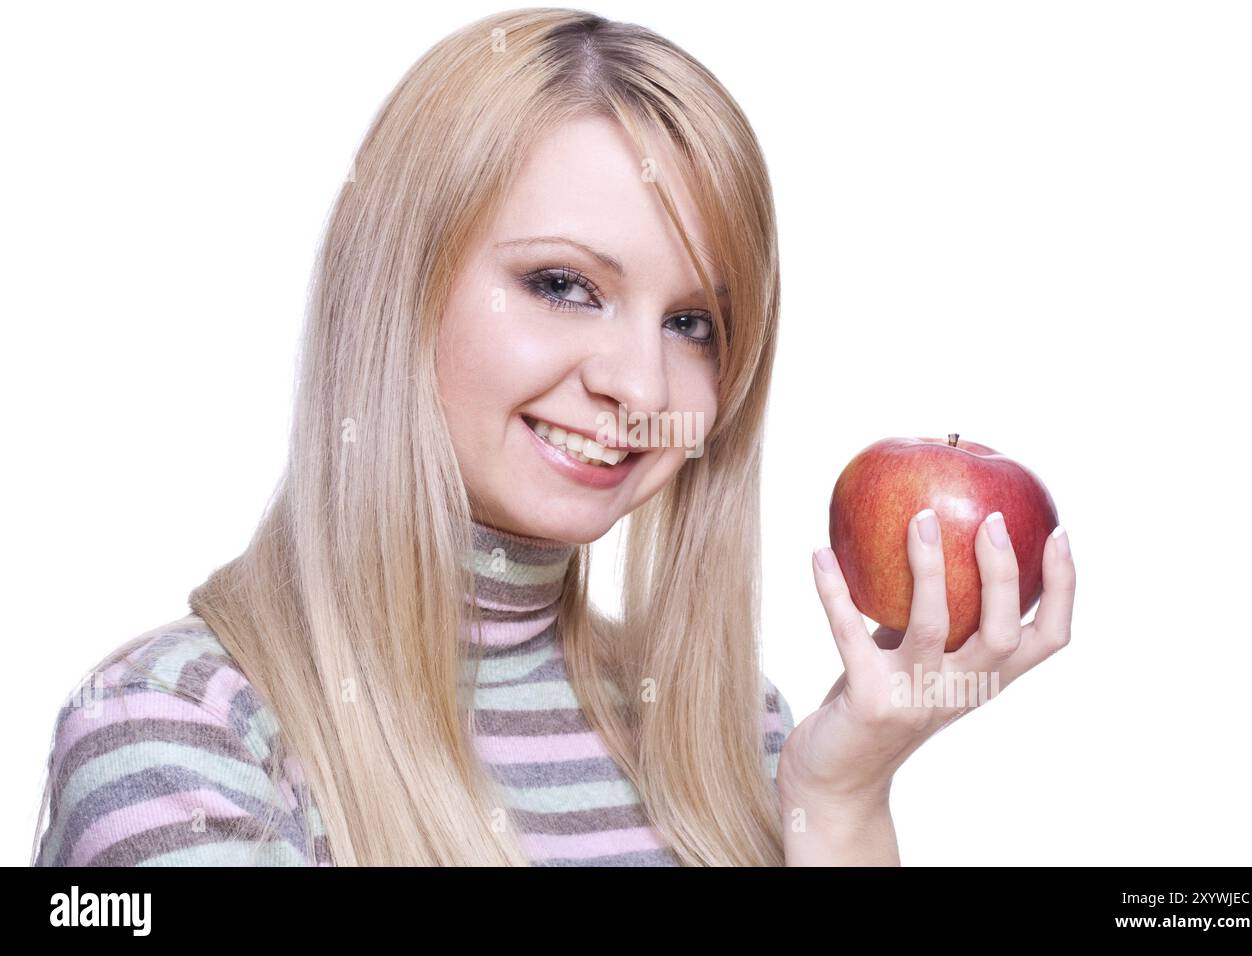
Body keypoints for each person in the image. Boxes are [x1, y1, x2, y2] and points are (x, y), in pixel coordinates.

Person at [31, 7, 1076, 868]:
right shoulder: (176, 735)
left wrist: (839, 799)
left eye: (692, 322)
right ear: (399, 285)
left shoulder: (742, 741)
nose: (637, 382)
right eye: (564, 285)